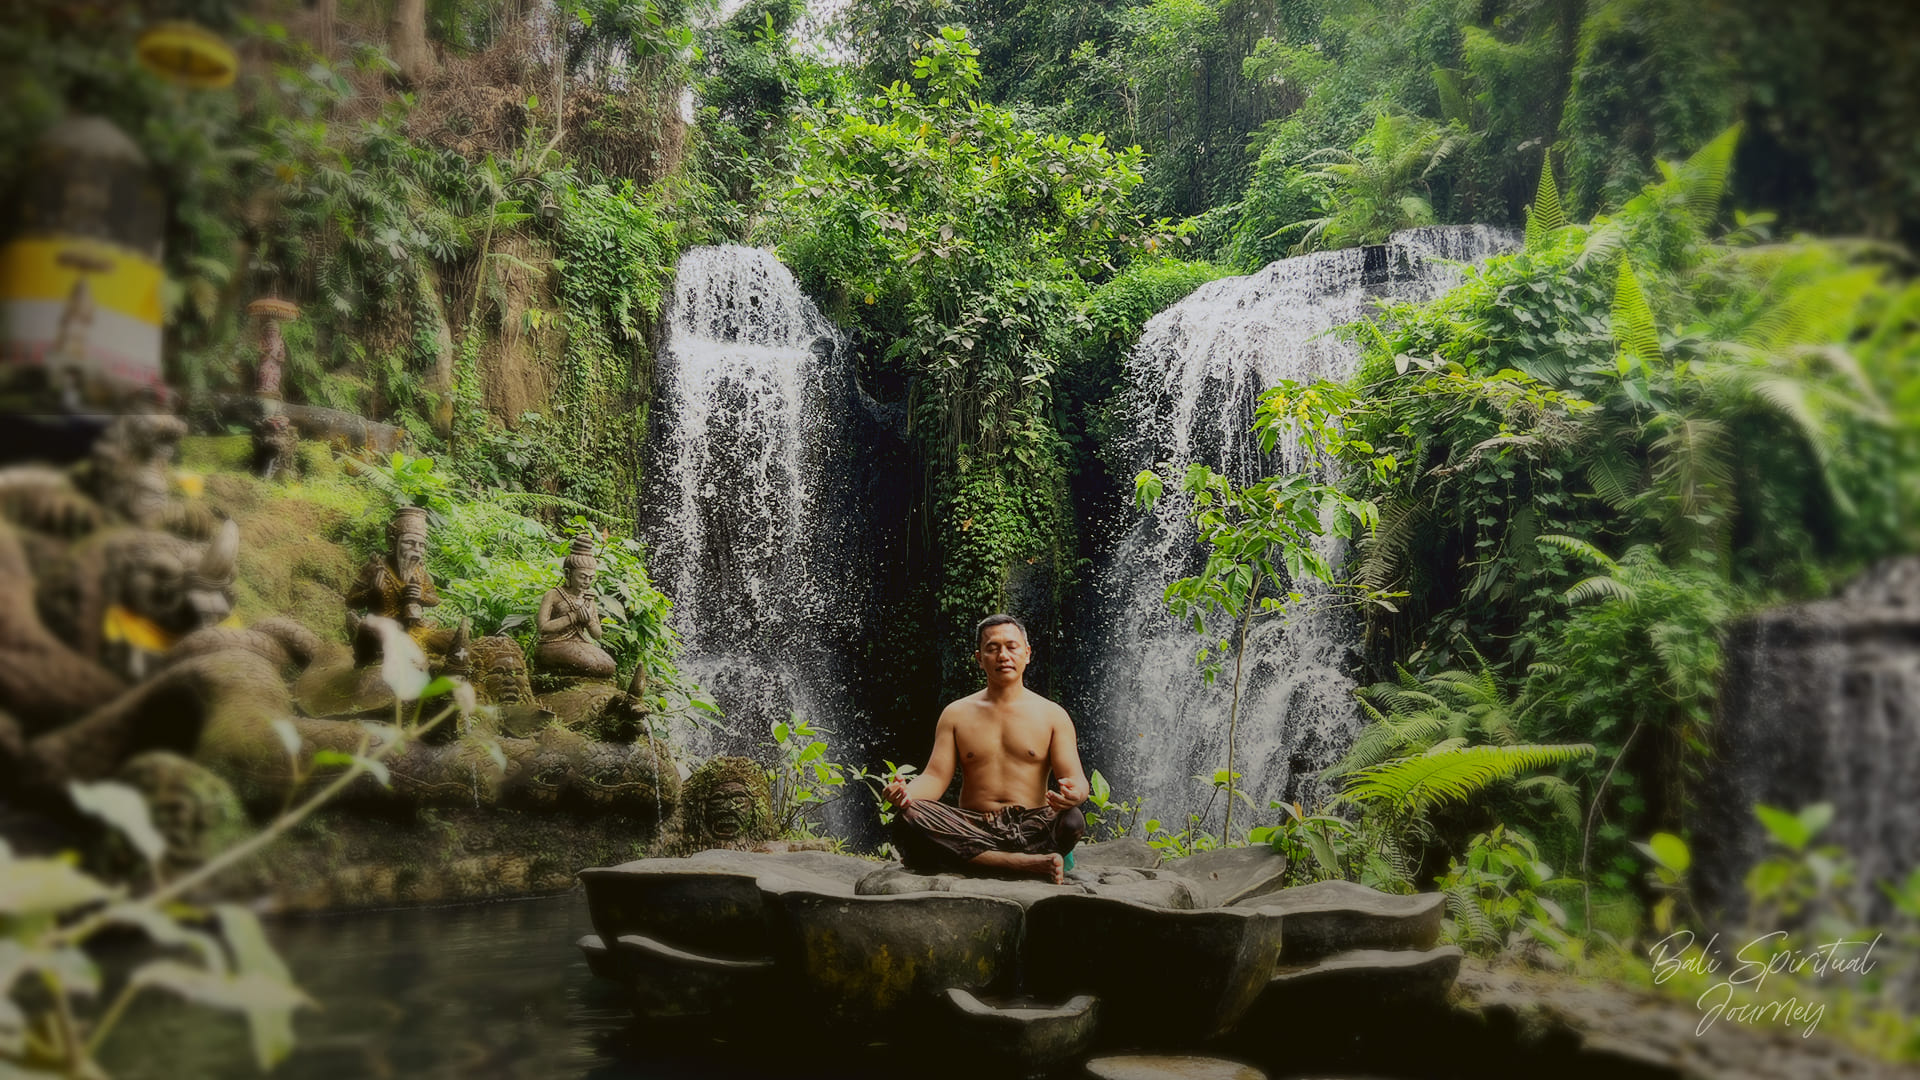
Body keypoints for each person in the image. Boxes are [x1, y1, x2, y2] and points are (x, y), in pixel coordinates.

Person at [883, 613, 1088, 884]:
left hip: (1031, 825)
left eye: (1012, 647)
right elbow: (935, 777)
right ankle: (1021, 864)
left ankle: (978, 861)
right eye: (992, 649)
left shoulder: (1053, 715)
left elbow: (1075, 779)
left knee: (1072, 820)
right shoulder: (956, 714)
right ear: (980, 659)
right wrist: (906, 793)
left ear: (1027, 654)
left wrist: (1074, 794)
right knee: (909, 816)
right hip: (972, 825)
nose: (1003, 655)